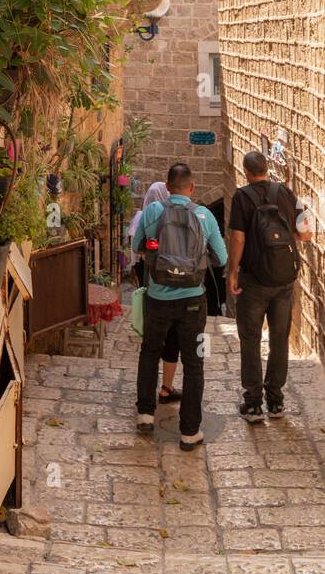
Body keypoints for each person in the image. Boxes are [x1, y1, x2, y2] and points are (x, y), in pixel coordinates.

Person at [133, 162, 227, 450]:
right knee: (195, 364)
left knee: (150, 352)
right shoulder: (205, 215)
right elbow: (221, 258)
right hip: (192, 301)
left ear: (167, 185)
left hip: (158, 298)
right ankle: (189, 432)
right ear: (192, 187)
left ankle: (146, 415)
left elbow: (137, 246)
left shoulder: (152, 212)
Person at [227, 150, 312, 423]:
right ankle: (275, 401)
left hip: (253, 282)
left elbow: (238, 238)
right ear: (266, 169)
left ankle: (253, 404)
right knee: (279, 338)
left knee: (250, 339)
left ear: (247, 172)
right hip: (284, 281)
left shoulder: (242, 197)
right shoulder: (285, 194)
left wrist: (233, 271)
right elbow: (305, 233)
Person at [128, 180, 181, 404]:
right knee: (173, 340)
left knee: (150, 345)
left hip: (153, 284)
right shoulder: (177, 216)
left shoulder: (145, 216)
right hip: (179, 287)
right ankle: (166, 388)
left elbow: (136, 246)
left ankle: (145, 406)